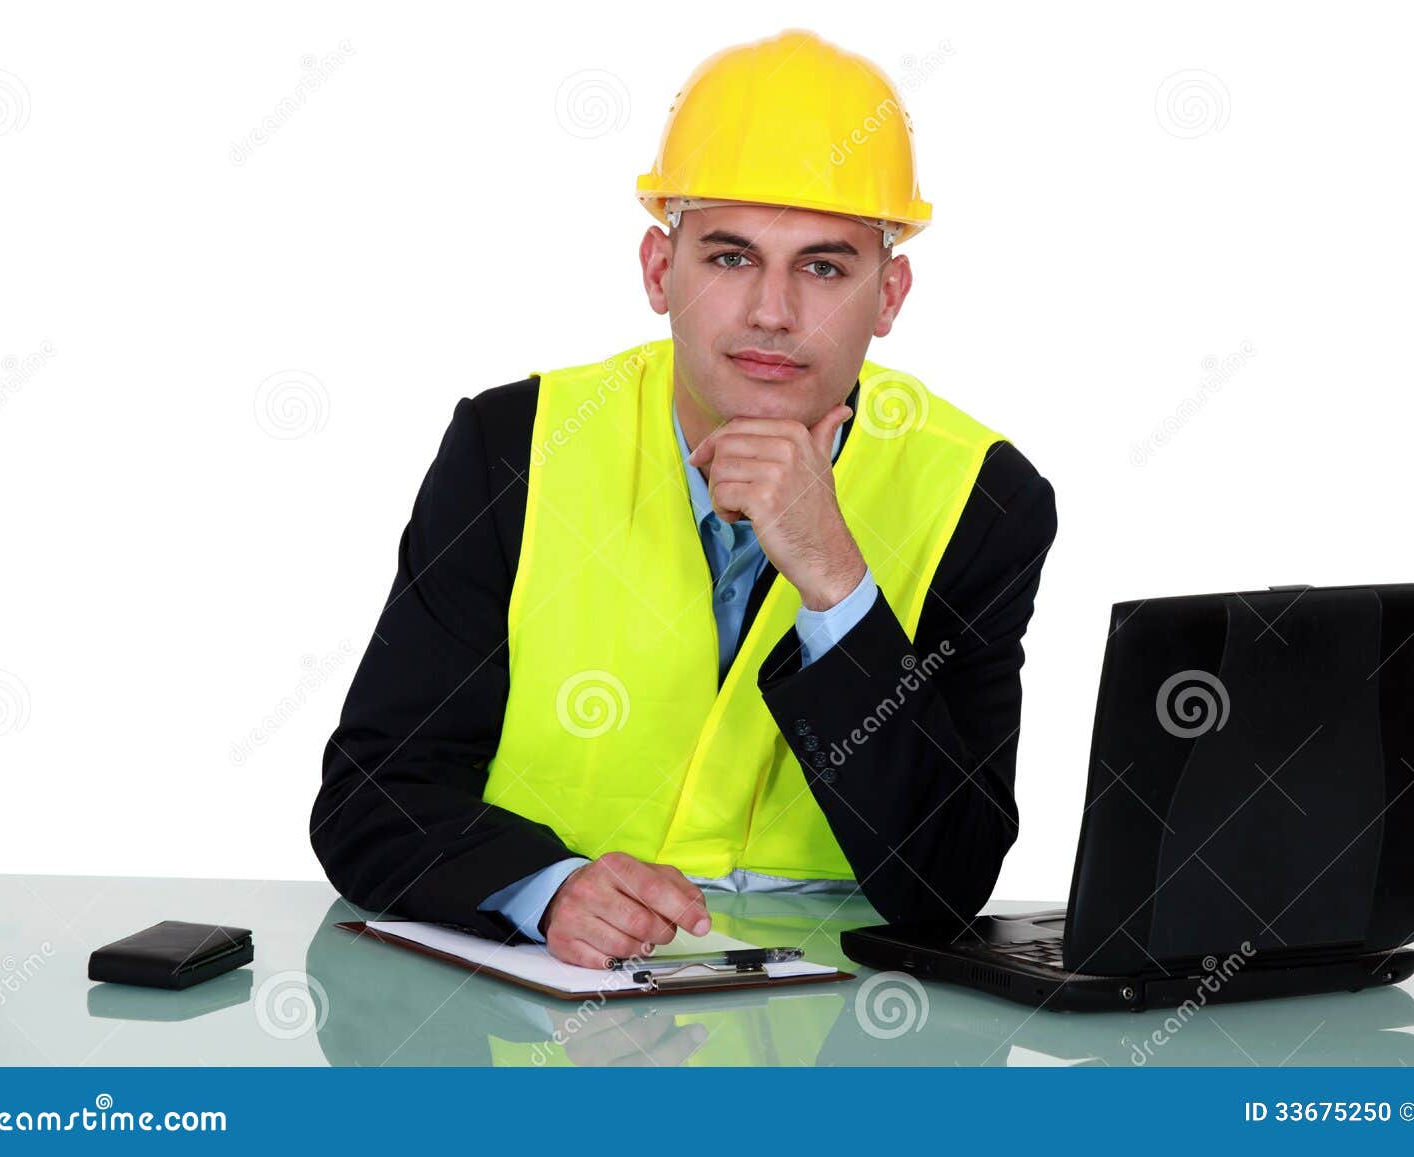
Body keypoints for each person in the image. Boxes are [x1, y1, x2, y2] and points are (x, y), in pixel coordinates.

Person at [309, 28, 1058, 968]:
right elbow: (369, 797)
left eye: (823, 266)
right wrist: (546, 891)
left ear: (891, 293)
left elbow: (948, 879)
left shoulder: (981, 495)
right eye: (731, 258)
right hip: (551, 1019)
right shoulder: (516, 448)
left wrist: (832, 575)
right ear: (661, 272)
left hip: (839, 1038)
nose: (772, 313)